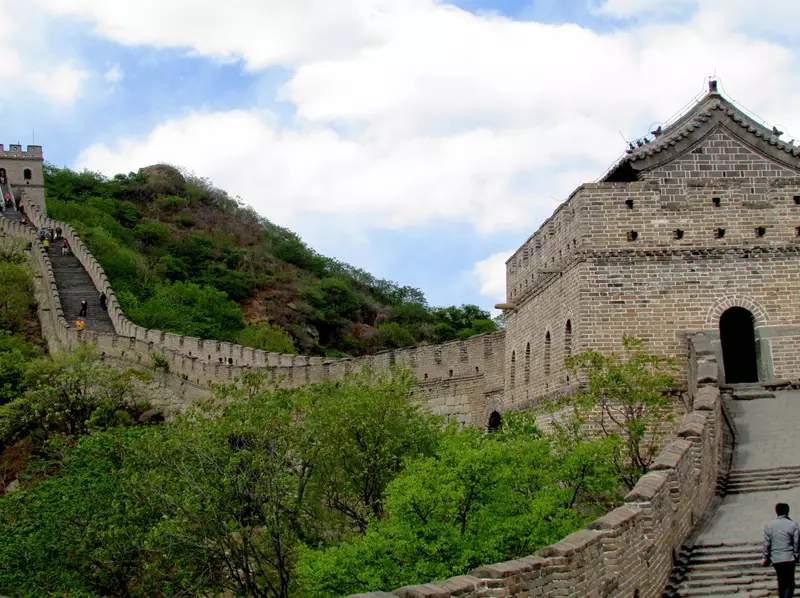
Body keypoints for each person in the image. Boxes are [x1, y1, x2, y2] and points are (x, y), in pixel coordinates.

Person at [763, 502, 800, 598]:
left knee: (781, 580)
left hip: (776, 558)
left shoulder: (769, 525)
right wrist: (796, 554)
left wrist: (766, 556)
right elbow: (796, 542)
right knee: (789, 582)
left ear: (776, 512)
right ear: (788, 511)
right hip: (789, 557)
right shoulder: (793, 524)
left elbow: (767, 543)